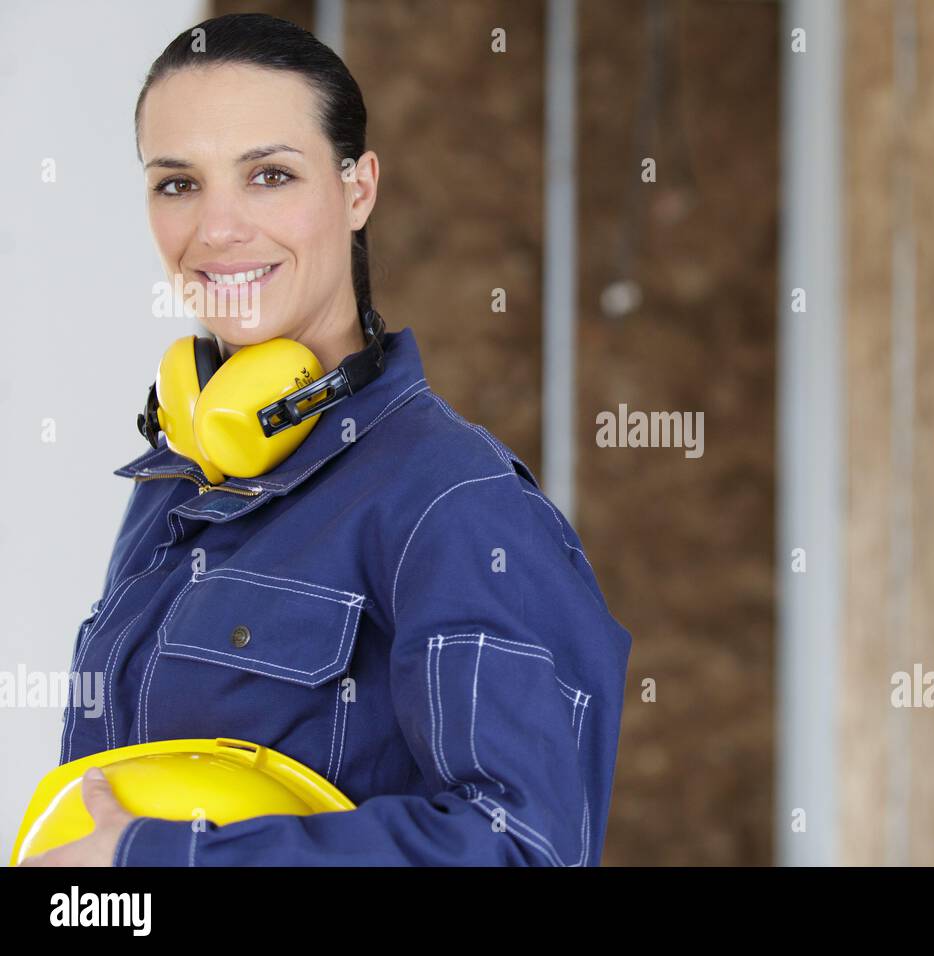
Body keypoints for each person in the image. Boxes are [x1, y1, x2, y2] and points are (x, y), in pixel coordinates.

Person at [26, 13, 632, 866]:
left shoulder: (452, 502)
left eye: (269, 175)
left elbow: (524, 848)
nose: (218, 230)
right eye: (177, 183)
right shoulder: (175, 482)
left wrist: (161, 864)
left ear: (358, 189)